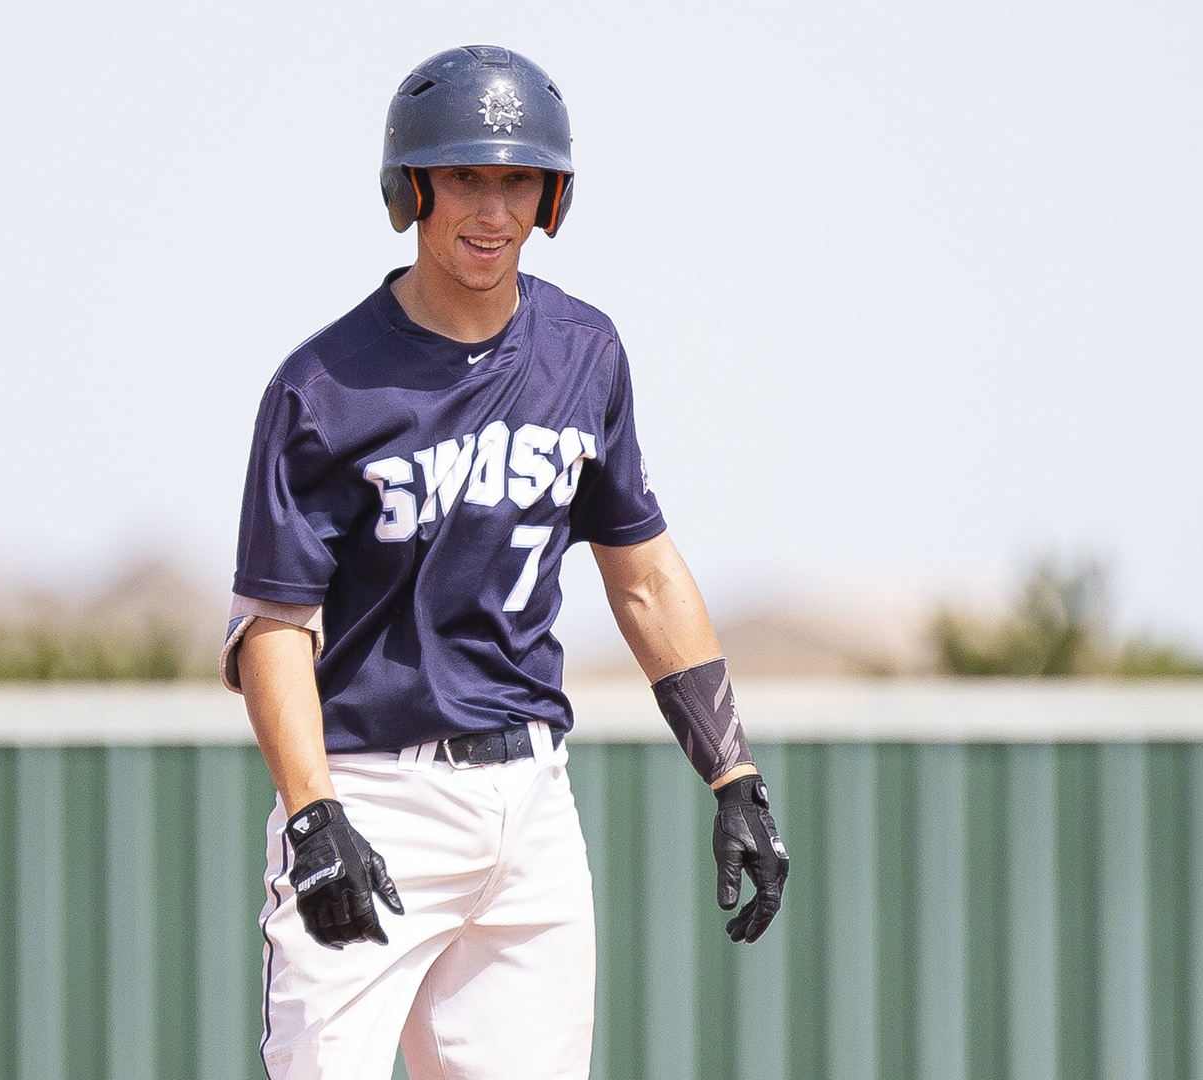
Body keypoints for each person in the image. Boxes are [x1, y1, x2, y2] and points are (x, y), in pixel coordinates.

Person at [222, 44, 789, 1080]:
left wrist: (734, 777)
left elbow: (645, 575)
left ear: (552, 195)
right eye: (466, 176)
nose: (492, 209)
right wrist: (312, 813)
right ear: (413, 187)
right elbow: (273, 630)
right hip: (372, 796)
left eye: (517, 178)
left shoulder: (585, 352)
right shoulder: (321, 386)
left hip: (530, 803)